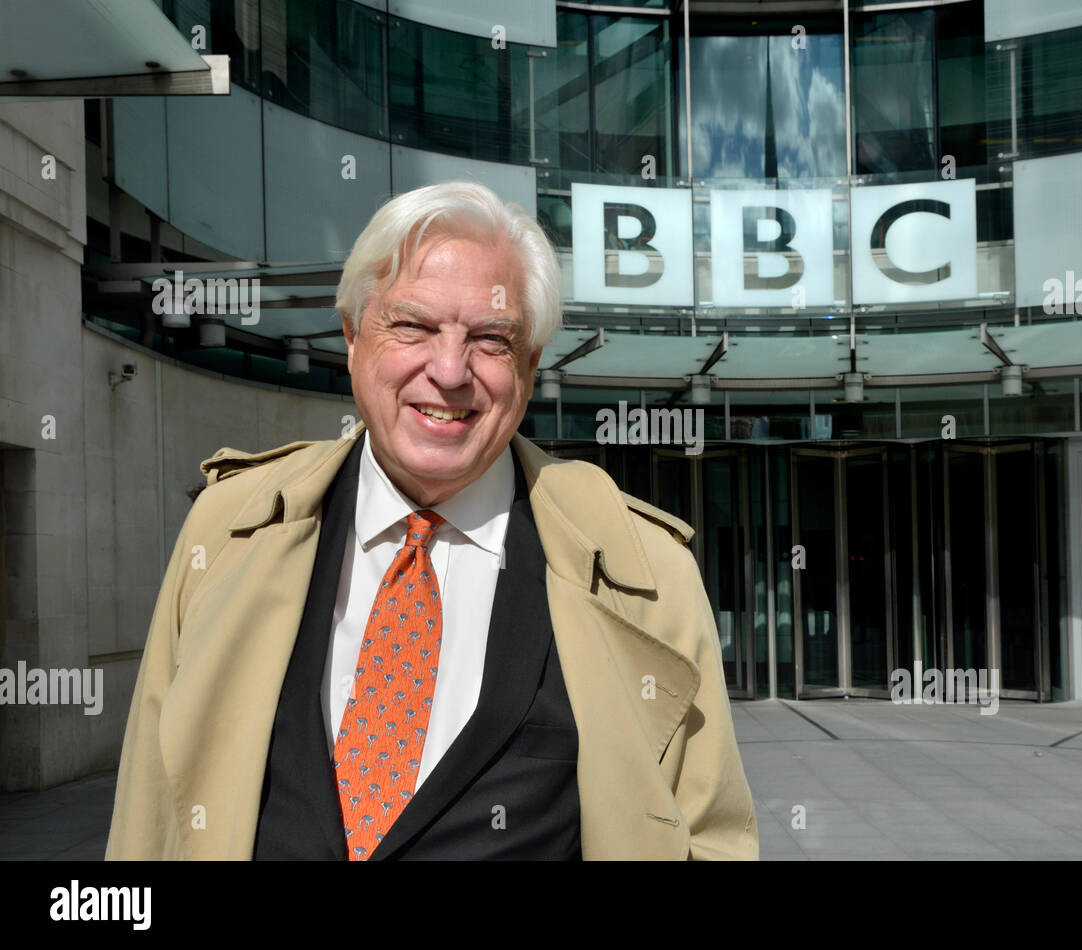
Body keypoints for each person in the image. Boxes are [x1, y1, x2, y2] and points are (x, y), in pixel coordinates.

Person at [104, 181, 758, 860]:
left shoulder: (648, 578)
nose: (449, 372)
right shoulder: (227, 527)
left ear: (530, 368)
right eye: (411, 326)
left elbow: (709, 841)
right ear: (354, 337)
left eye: (490, 339)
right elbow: (148, 819)